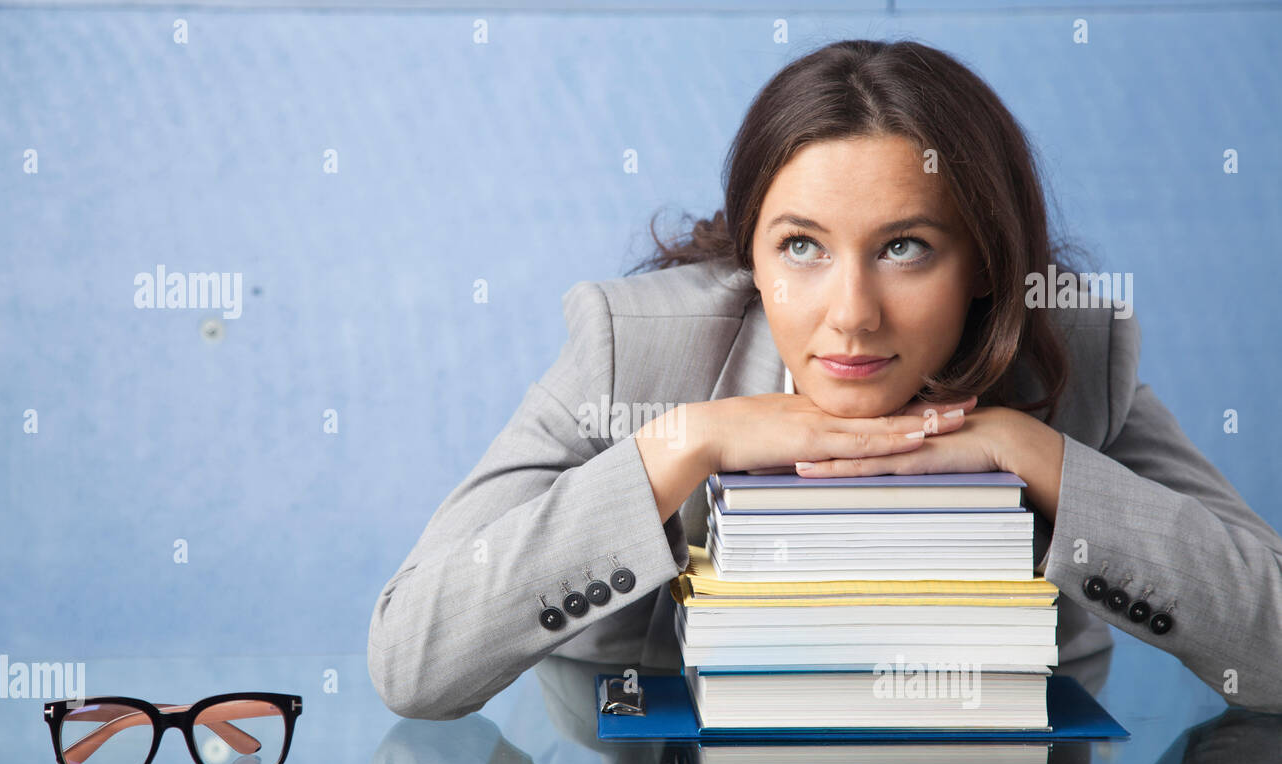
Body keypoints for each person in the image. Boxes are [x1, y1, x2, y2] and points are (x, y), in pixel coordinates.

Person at [368, 38, 1282, 721]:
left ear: (987, 264)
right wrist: (687, 445)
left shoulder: (1068, 353)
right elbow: (413, 659)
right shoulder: (635, 352)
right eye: (801, 246)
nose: (852, 313)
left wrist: (1038, 454)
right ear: (753, 252)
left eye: (905, 248)